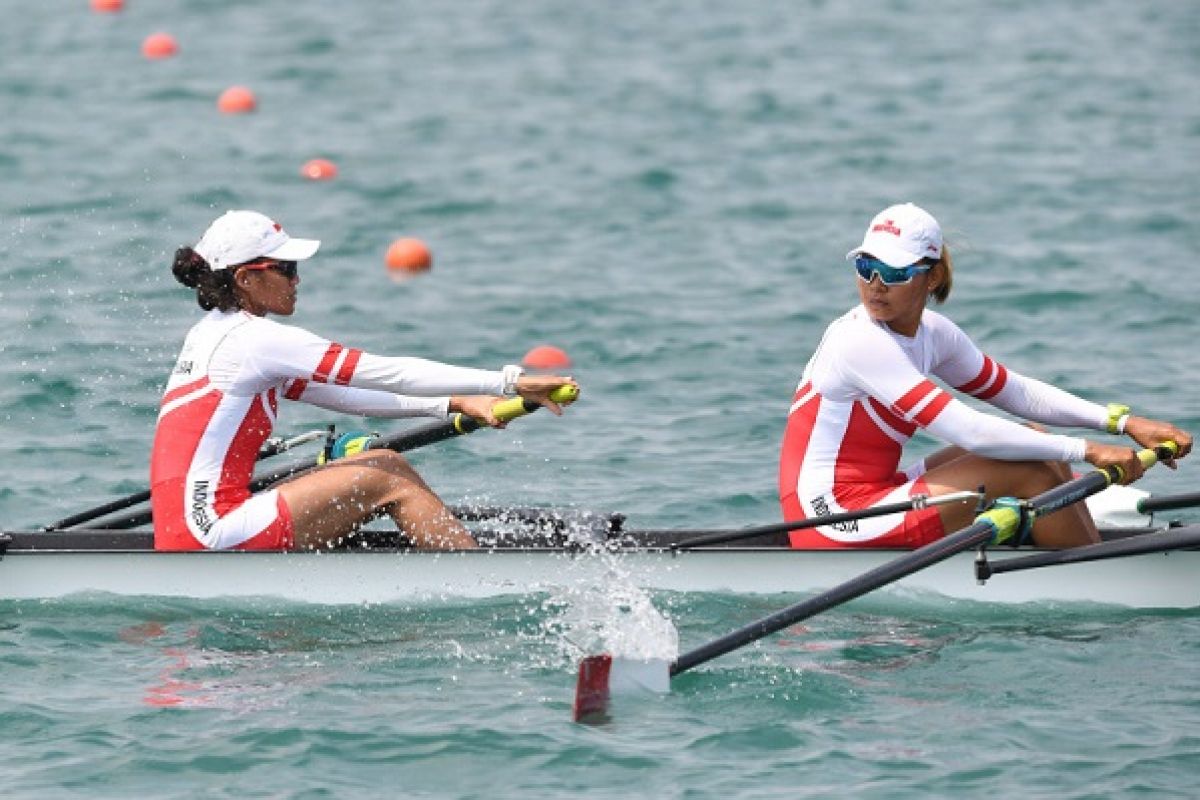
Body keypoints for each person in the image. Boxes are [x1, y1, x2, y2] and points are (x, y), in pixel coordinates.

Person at [151, 210, 577, 552]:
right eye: (286, 268)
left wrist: (455, 403)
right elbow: (388, 372)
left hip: (186, 528)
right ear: (246, 278)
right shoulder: (256, 340)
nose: (297, 280)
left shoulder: (213, 334)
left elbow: (349, 396)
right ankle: (478, 582)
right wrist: (508, 382)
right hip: (209, 532)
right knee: (389, 472)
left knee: (362, 467)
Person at [779, 202, 1191, 550]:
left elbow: (1016, 392)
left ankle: (1068, 539)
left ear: (932, 276)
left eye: (894, 272)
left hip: (880, 490)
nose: (875, 285)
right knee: (1030, 470)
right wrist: (1089, 450)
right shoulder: (858, 341)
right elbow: (971, 432)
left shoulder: (934, 334)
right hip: (829, 516)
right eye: (866, 266)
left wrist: (1122, 423)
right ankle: (1097, 576)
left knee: (1035, 441)